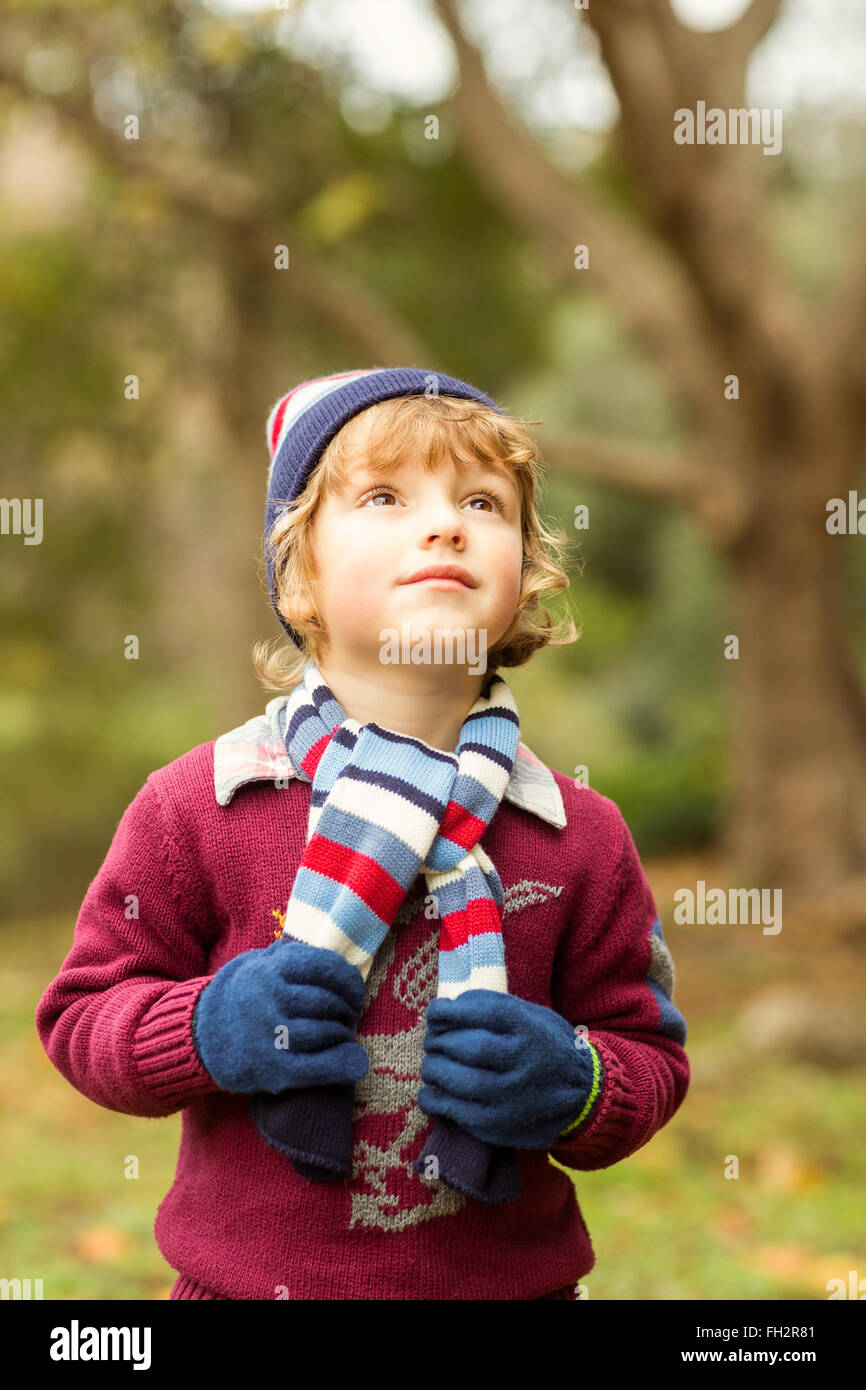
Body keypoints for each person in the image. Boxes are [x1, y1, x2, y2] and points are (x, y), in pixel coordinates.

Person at [36, 366, 690, 1301]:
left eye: (483, 502)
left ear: (527, 572)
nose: (445, 524)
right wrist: (206, 1027)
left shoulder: (574, 831)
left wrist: (576, 1083)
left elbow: (650, 1055)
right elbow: (81, 1018)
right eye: (385, 496)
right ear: (297, 571)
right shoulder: (204, 804)